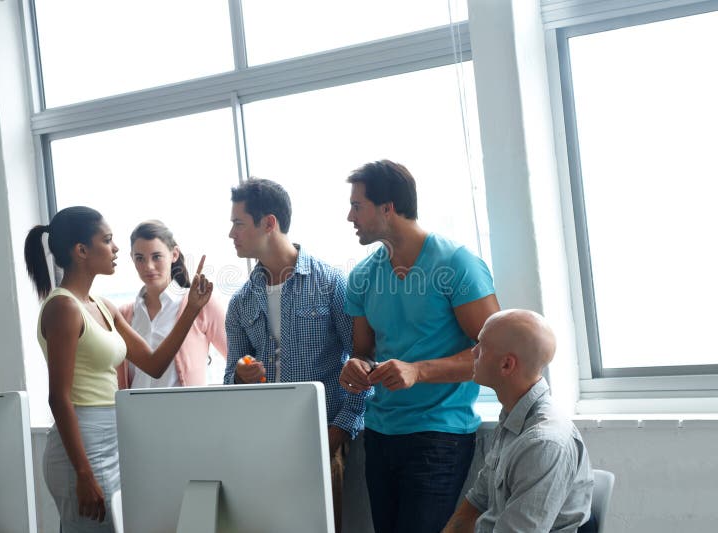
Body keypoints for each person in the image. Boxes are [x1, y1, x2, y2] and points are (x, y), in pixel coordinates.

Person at [24, 206, 213, 532]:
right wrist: (83, 472)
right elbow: (59, 398)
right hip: (81, 449)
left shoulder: (102, 306)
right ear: (81, 251)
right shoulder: (63, 308)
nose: (115, 250)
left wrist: (192, 309)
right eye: (108, 241)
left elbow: (154, 364)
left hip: (111, 441)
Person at [339, 160, 500, 533]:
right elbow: (363, 349)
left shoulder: (457, 264)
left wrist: (418, 370)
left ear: (387, 207)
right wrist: (356, 366)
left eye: (356, 205)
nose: (349, 216)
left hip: (439, 436)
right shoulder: (363, 275)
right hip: (379, 436)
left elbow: (494, 351)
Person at [224, 178, 367, 532]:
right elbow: (229, 377)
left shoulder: (331, 282)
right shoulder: (240, 301)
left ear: (268, 223)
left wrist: (341, 429)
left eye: (238, 223)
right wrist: (240, 377)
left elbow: (362, 363)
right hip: (265, 443)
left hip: (326, 440)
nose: (231, 234)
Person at [442, 309, 595, 533]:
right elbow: (476, 502)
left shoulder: (544, 443)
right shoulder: (512, 417)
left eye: (481, 346)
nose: (473, 352)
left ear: (506, 365)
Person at [116, 220, 227, 389]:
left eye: (157, 256)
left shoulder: (202, 305)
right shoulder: (123, 315)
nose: (148, 266)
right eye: (140, 258)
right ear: (132, 258)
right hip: (137, 413)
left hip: (188, 413)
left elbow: (238, 360)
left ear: (174, 254)